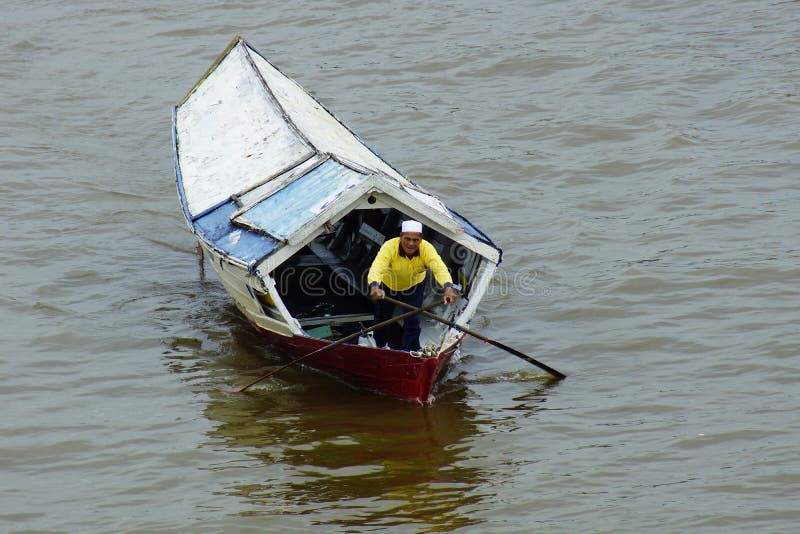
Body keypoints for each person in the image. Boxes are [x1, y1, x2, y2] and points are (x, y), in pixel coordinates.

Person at [367, 220, 457, 351]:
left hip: (414, 285)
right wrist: (374, 286)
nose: (410, 243)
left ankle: (411, 351)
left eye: (415, 240)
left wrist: (448, 288)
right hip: (389, 284)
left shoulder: (427, 249)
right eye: (407, 239)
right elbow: (377, 267)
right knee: (382, 317)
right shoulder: (389, 247)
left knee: (413, 319)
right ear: (400, 236)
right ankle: (380, 345)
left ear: (420, 239)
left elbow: (440, 269)